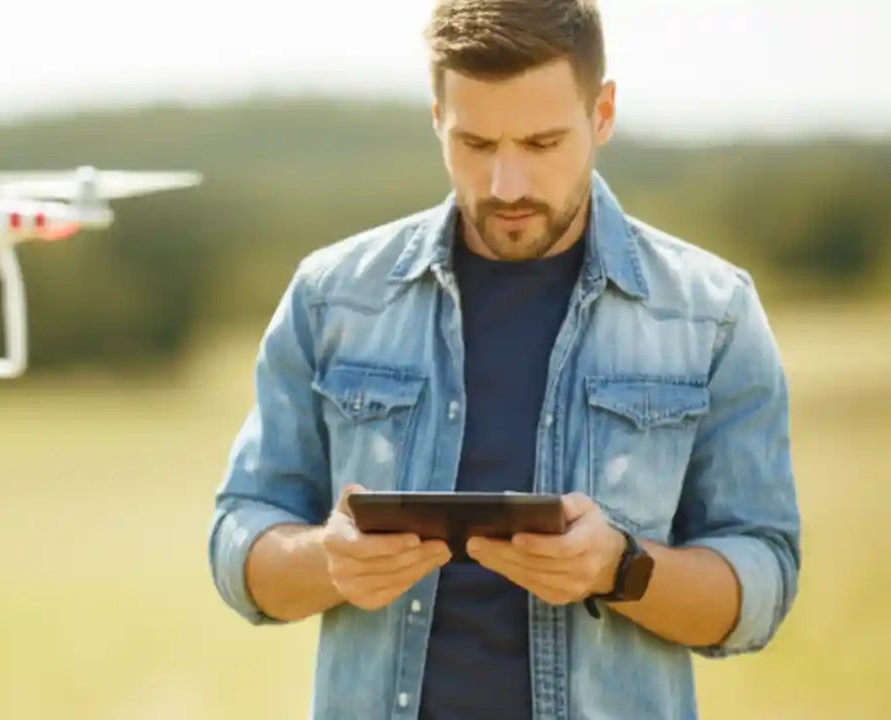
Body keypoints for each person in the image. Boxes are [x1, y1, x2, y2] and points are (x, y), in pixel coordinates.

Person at [206, 0, 802, 718]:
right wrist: (327, 561)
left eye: (543, 143)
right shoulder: (331, 297)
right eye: (477, 144)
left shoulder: (712, 312)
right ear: (437, 119)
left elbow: (762, 580)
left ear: (603, 113)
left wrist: (621, 568)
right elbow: (239, 542)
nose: (506, 185)